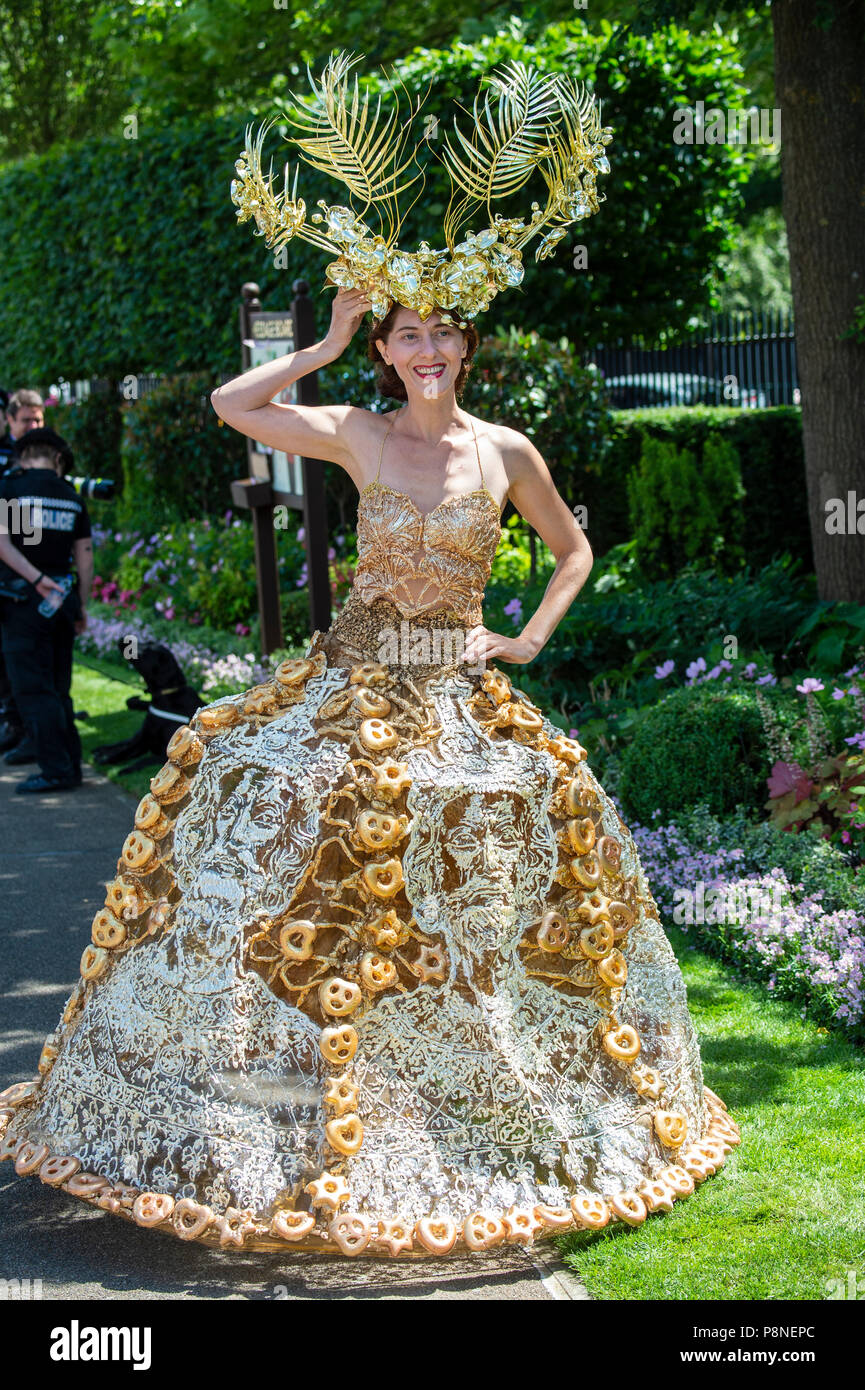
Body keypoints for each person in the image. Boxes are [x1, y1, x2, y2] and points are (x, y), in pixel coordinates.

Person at [0, 54, 738, 1256]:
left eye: (442, 331)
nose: (427, 350)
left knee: (496, 886)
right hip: (349, 683)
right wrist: (325, 333)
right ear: (387, 349)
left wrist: (531, 634)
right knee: (261, 821)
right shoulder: (352, 426)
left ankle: (475, 1092)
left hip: (460, 688)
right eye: (405, 335)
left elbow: (572, 551)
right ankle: (280, 1094)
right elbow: (235, 407)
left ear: (466, 341)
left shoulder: (506, 450)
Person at [0, 426, 92, 792]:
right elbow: (85, 557)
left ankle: (56, 770)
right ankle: (70, 765)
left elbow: (4, 546)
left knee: (33, 690)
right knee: (58, 687)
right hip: (63, 600)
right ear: (56, 459)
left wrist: (37, 579)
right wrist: (81, 605)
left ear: (23, 457)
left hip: (23, 601)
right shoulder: (71, 496)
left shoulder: (10, 489)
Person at [0, 389, 45, 755]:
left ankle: (34, 732)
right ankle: (15, 724)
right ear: (10, 420)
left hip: (42, 568)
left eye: (37, 419)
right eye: (26, 420)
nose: (32, 426)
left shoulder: (51, 453)